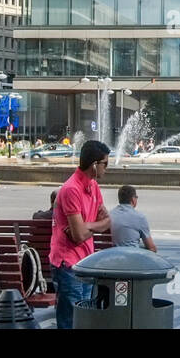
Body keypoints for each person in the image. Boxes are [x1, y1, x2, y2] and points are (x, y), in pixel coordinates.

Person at [51, 140, 112, 329]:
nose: (107, 169)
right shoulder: (71, 189)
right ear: (94, 165)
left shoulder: (93, 186)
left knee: (85, 318)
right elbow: (78, 235)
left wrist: (87, 226)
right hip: (68, 264)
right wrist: (90, 228)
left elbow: (107, 222)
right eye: (105, 164)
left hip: (86, 261)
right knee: (71, 320)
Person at [107, 185, 157, 252]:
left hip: (111, 256)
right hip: (131, 257)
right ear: (133, 199)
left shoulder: (109, 215)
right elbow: (151, 248)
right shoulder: (139, 217)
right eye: (136, 197)